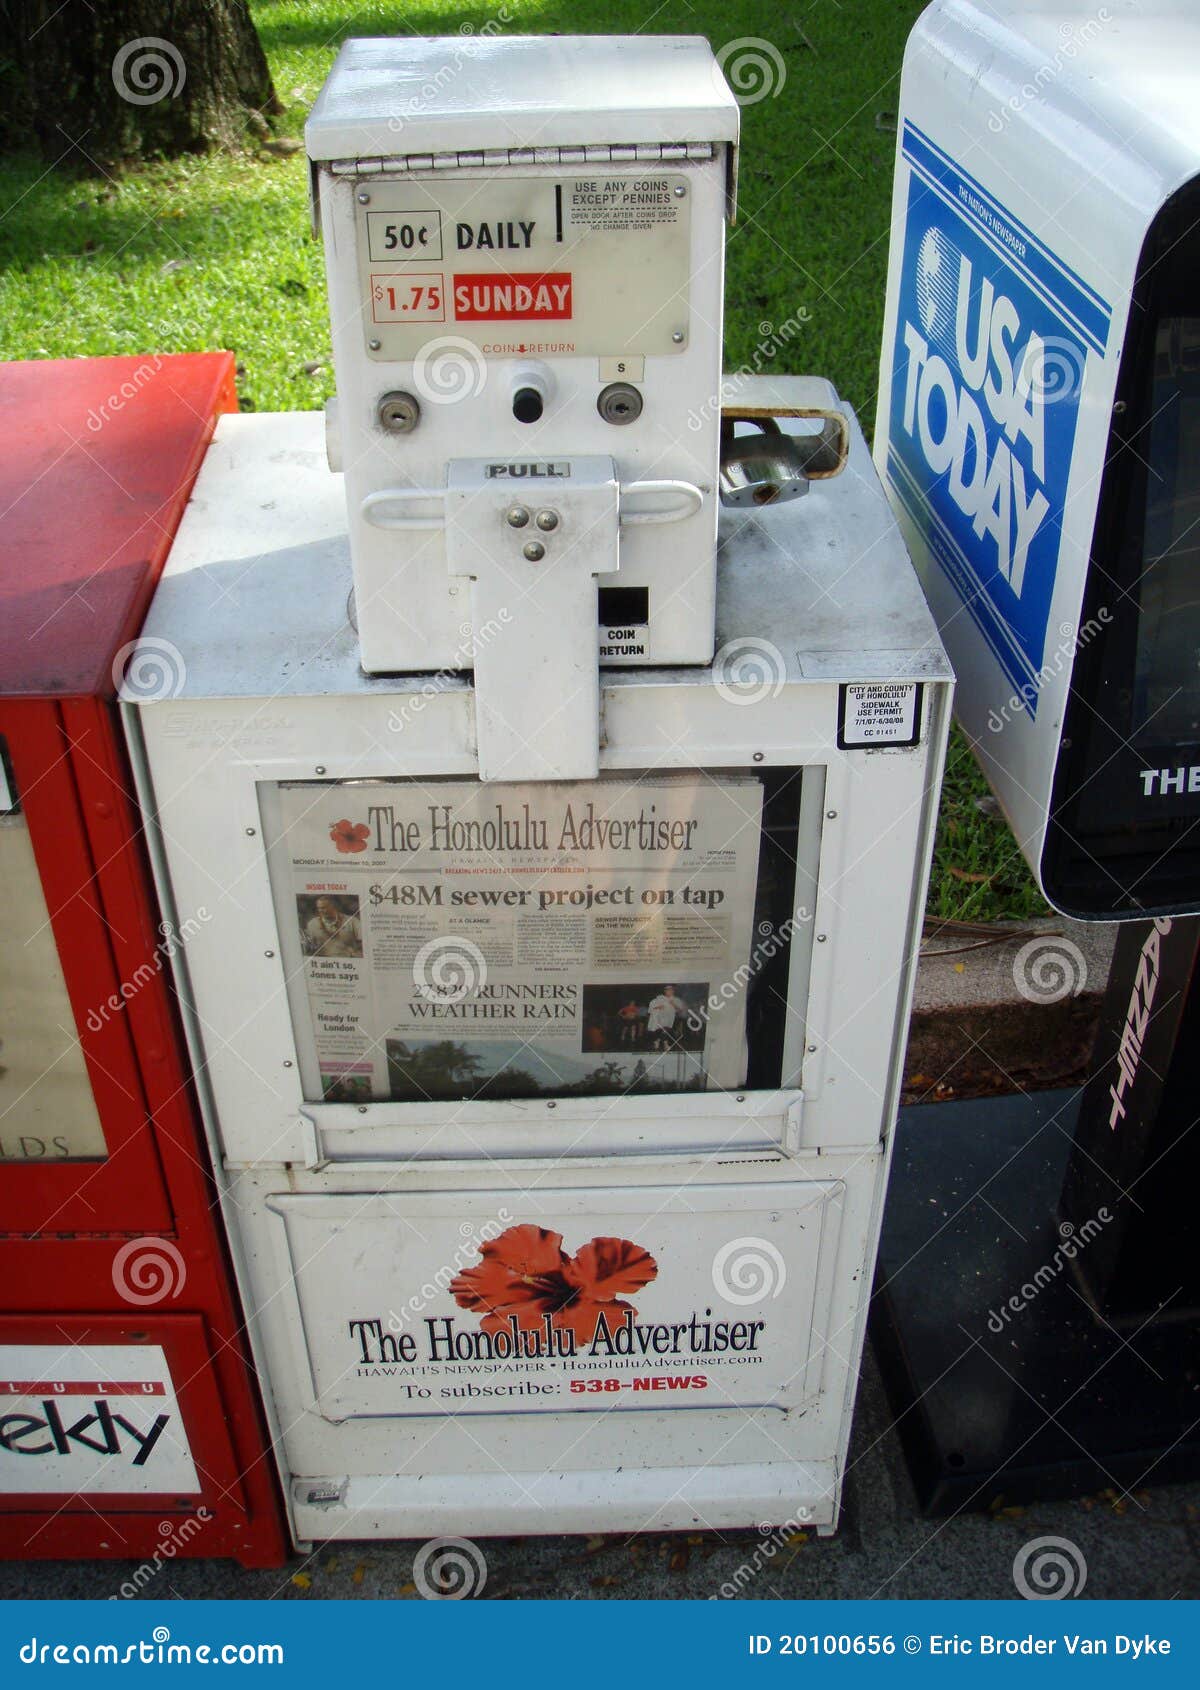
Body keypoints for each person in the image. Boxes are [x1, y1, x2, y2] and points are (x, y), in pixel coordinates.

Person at [646, 985, 680, 1051]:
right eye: (668, 990)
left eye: (671, 990)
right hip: (659, 1018)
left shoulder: (675, 999)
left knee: (664, 1030)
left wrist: (672, 1003)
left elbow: (679, 1010)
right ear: (665, 991)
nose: (670, 991)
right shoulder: (659, 998)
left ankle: (657, 1041)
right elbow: (651, 1008)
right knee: (664, 1030)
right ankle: (665, 1044)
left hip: (669, 1018)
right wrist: (658, 1007)